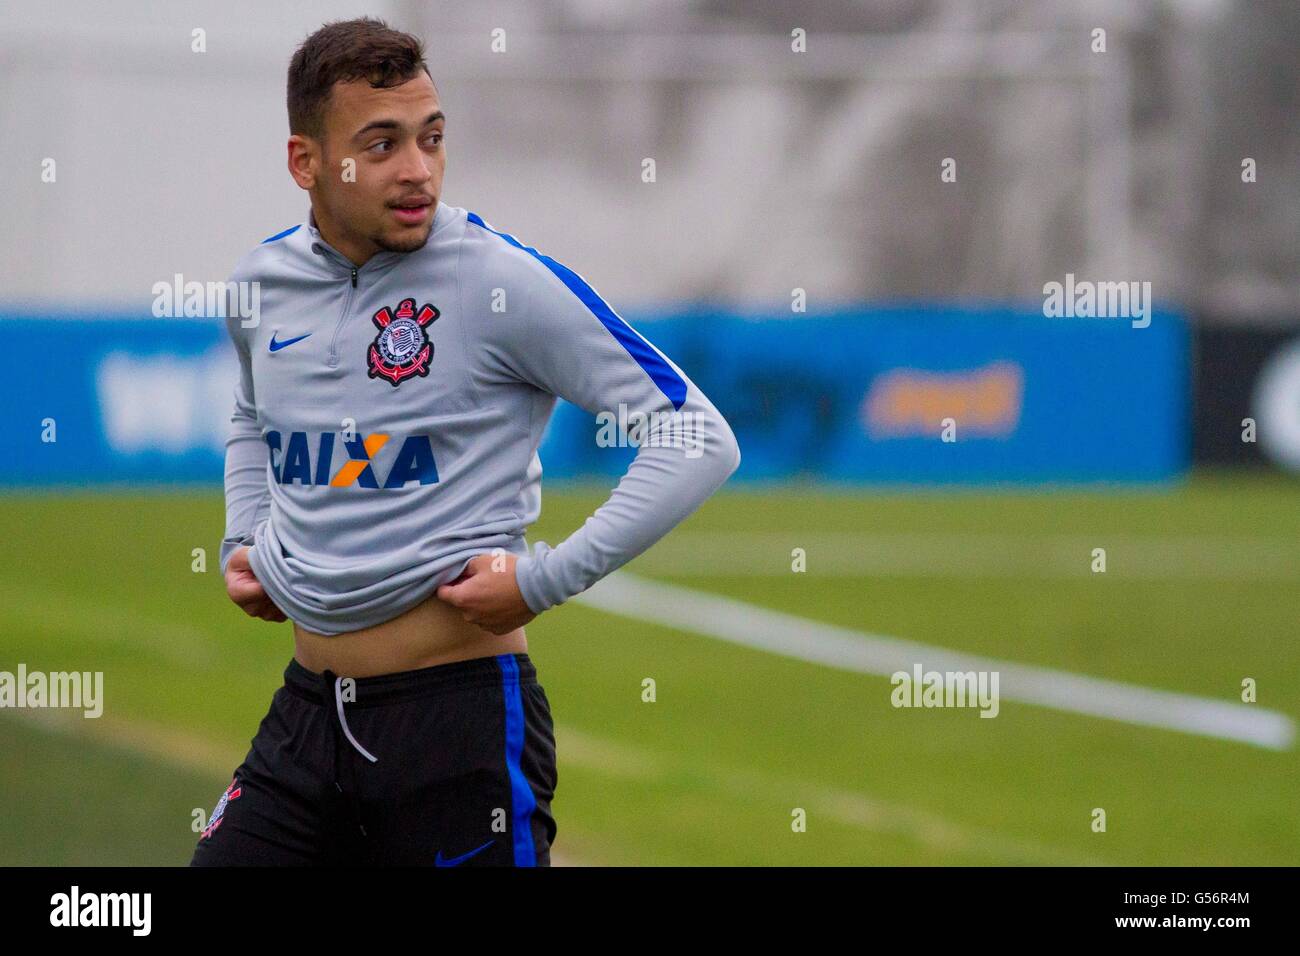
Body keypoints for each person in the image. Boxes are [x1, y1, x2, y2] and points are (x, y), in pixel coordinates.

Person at [190, 16, 740, 867]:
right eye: (380, 145)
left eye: (431, 138)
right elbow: (248, 413)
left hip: (458, 726)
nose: (417, 171)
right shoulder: (259, 283)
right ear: (306, 163)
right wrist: (243, 534)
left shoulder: (500, 281)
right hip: (306, 719)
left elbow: (696, 434)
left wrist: (544, 579)